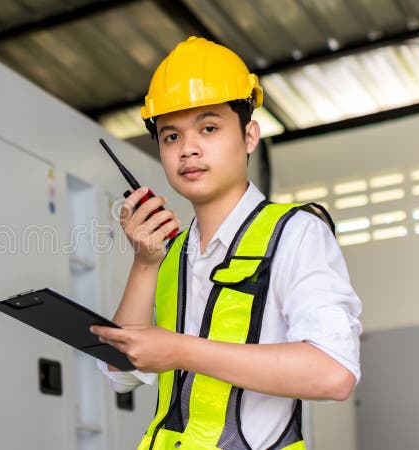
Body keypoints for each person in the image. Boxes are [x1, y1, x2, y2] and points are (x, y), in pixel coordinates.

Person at [89, 36, 362, 450]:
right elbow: (121, 375)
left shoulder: (296, 233)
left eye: (209, 128)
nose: (188, 149)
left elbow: (333, 373)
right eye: (171, 137)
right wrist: (145, 262)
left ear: (250, 136)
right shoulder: (170, 252)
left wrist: (181, 351)